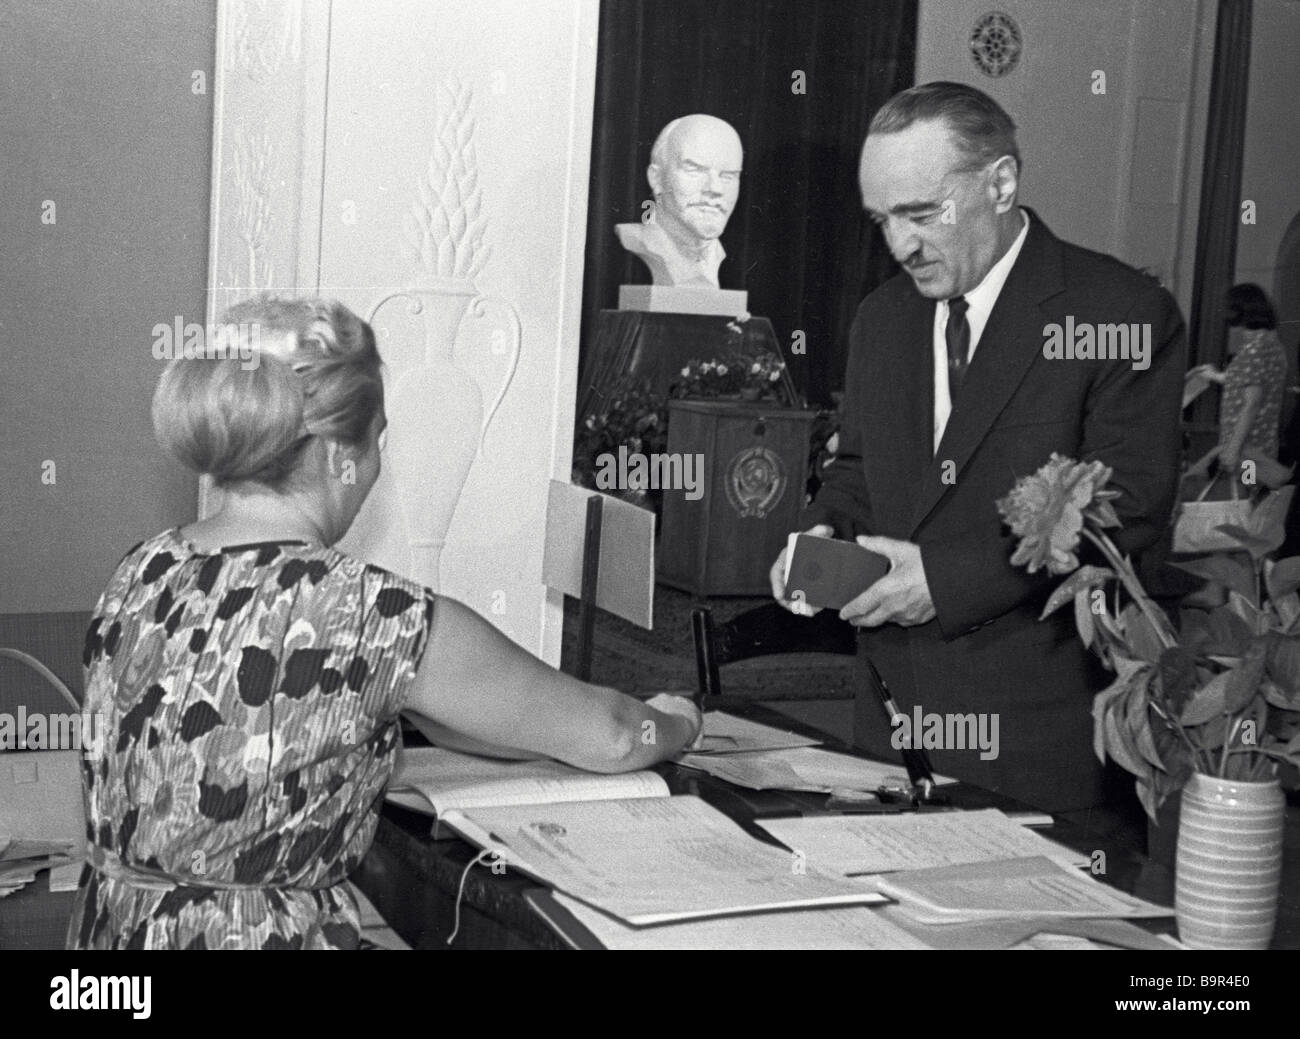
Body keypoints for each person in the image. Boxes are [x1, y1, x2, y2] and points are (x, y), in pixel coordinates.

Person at [68, 296, 702, 950]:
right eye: (377, 443)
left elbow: (478, 715)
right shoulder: (362, 612)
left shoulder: (144, 567)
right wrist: (680, 716)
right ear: (340, 451)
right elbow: (619, 735)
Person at [769, 82, 1186, 812]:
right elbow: (859, 470)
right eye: (881, 219)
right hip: (890, 734)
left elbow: (1126, 516)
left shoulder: (1120, 313)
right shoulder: (882, 319)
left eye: (921, 213)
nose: (899, 244)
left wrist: (943, 581)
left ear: (1000, 183)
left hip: (1041, 745)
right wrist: (820, 532)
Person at [614, 114, 743, 288]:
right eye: (695, 170)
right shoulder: (634, 241)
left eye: (728, 176)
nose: (715, 189)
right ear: (656, 178)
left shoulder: (722, 258)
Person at [1187, 283, 1290, 488]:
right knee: (1247, 498)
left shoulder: (1253, 352)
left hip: (1245, 452)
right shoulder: (1274, 347)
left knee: (1242, 500)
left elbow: (1251, 403)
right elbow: (1252, 382)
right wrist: (1217, 376)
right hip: (1260, 446)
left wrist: (1233, 449)